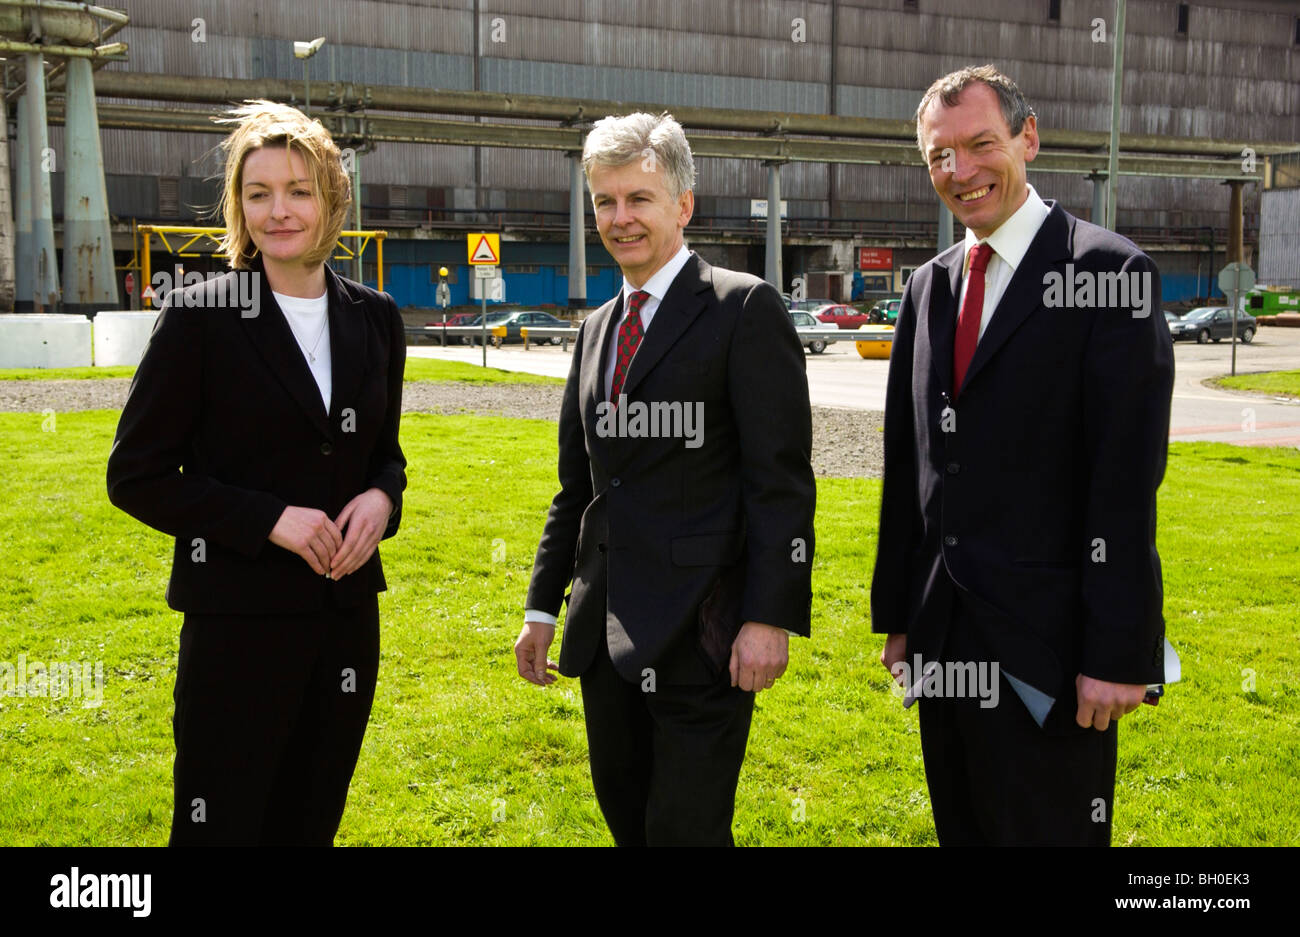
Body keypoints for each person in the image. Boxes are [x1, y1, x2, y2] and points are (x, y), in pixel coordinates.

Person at [871, 66, 1174, 845]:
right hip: (944, 643)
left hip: (1055, 652)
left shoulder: (1110, 274)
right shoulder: (929, 287)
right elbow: (910, 466)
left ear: (1028, 138)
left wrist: (1118, 652)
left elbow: (1126, 483)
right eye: (940, 156)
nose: (959, 172)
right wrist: (900, 616)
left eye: (980, 146)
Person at [107, 100, 407, 845]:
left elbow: (385, 456)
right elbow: (135, 474)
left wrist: (382, 499)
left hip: (344, 625)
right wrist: (268, 518)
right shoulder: (201, 317)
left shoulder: (376, 317)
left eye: (299, 191)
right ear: (238, 205)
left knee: (310, 825)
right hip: (236, 628)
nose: (279, 211)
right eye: (258, 192)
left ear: (333, 198)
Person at [514, 112, 816, 846]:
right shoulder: (594, 329)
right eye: (606, 201)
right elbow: (577, 487)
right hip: (602, 634)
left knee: (686, 830)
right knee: (629, 822)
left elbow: (779, 481)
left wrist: (769, 615)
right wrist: (543, 607)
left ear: (683, 204)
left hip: (702, 634)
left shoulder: (743, 308)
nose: (621, 219)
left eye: (639, 199)